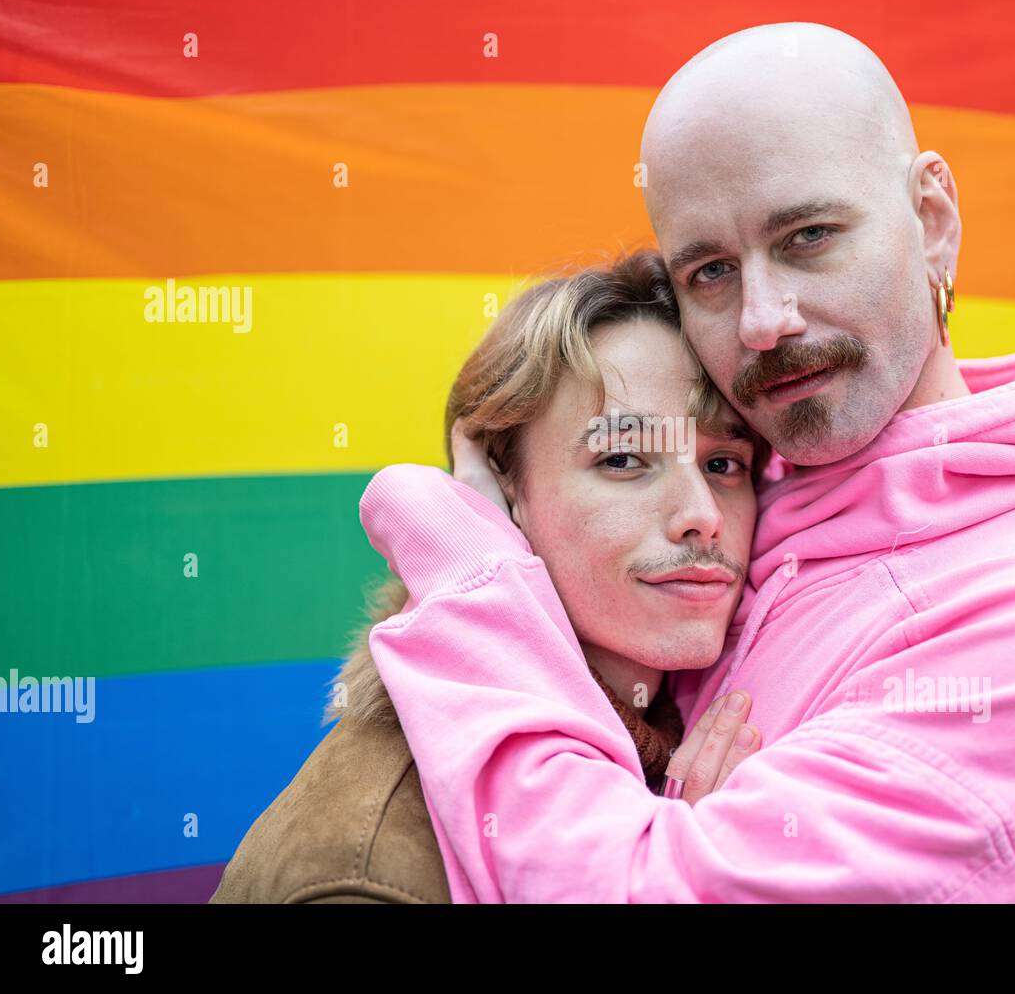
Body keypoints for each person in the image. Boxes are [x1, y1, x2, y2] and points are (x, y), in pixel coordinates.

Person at [359, 21, 1015, 903]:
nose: (762, 320)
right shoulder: (752, 503)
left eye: (808, 236)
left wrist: (466, 562)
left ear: (932, 219)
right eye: (710, 271)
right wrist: (671, 812)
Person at [210, 250, 770, 903]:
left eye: (725, 463)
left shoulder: (686, 746)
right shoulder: (366, 871)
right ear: (500, 499)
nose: (701, 516)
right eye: (622, 458)